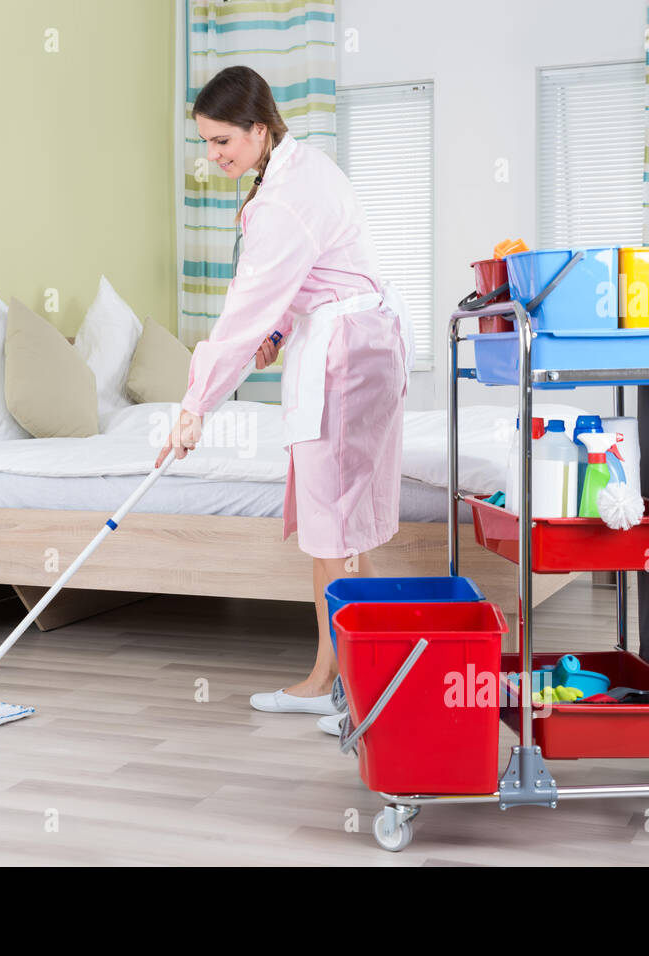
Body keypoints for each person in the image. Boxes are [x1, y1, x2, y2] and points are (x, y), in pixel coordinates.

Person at [155, 66, 414, 735]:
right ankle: (332, 680)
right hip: (352, 346)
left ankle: (366, 694)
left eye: (221, 142)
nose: (212, 156)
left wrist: (194, 407)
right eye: (207, 143)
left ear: (258, 128)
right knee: (336, 530)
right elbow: (308, 279)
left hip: (346, 362)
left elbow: (241, 313)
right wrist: (277, 329)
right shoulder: (303, 168)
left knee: (339, 532)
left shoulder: (279, 203)